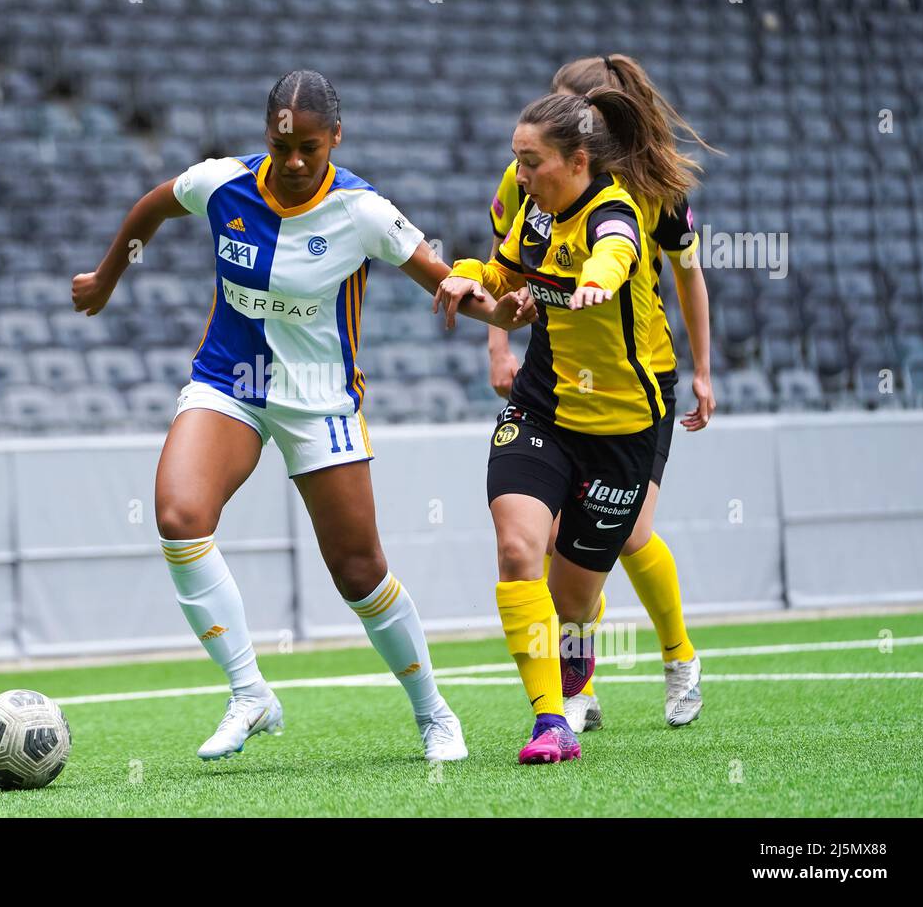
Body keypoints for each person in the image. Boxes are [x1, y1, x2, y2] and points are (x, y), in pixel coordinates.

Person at [74, 69, 509, 763]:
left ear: (336, 137)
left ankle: (435, 713)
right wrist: (106, 277)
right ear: (266, 137)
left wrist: (502, 311)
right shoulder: (222, 184)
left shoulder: (364, 212)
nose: (297, 161)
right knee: (180, 519)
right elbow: (152, 207)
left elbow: (444, 281)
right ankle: (249, 692)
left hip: (318, 399)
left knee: (359, 572)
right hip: (231, 384)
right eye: (283, 148)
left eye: (311, 147)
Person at [434, 81, 700, 762]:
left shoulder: (615, 212)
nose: (519, 175)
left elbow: (616, 249)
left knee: (572, 606)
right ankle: (549, 722)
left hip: (622, 427)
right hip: (543, 408)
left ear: (578, 161)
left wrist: (600, 281)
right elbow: (501, 271)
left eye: (531, 162)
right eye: (516, 159)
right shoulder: (534, 211)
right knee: (518, 548)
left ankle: (635, 653)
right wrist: (466, 275)